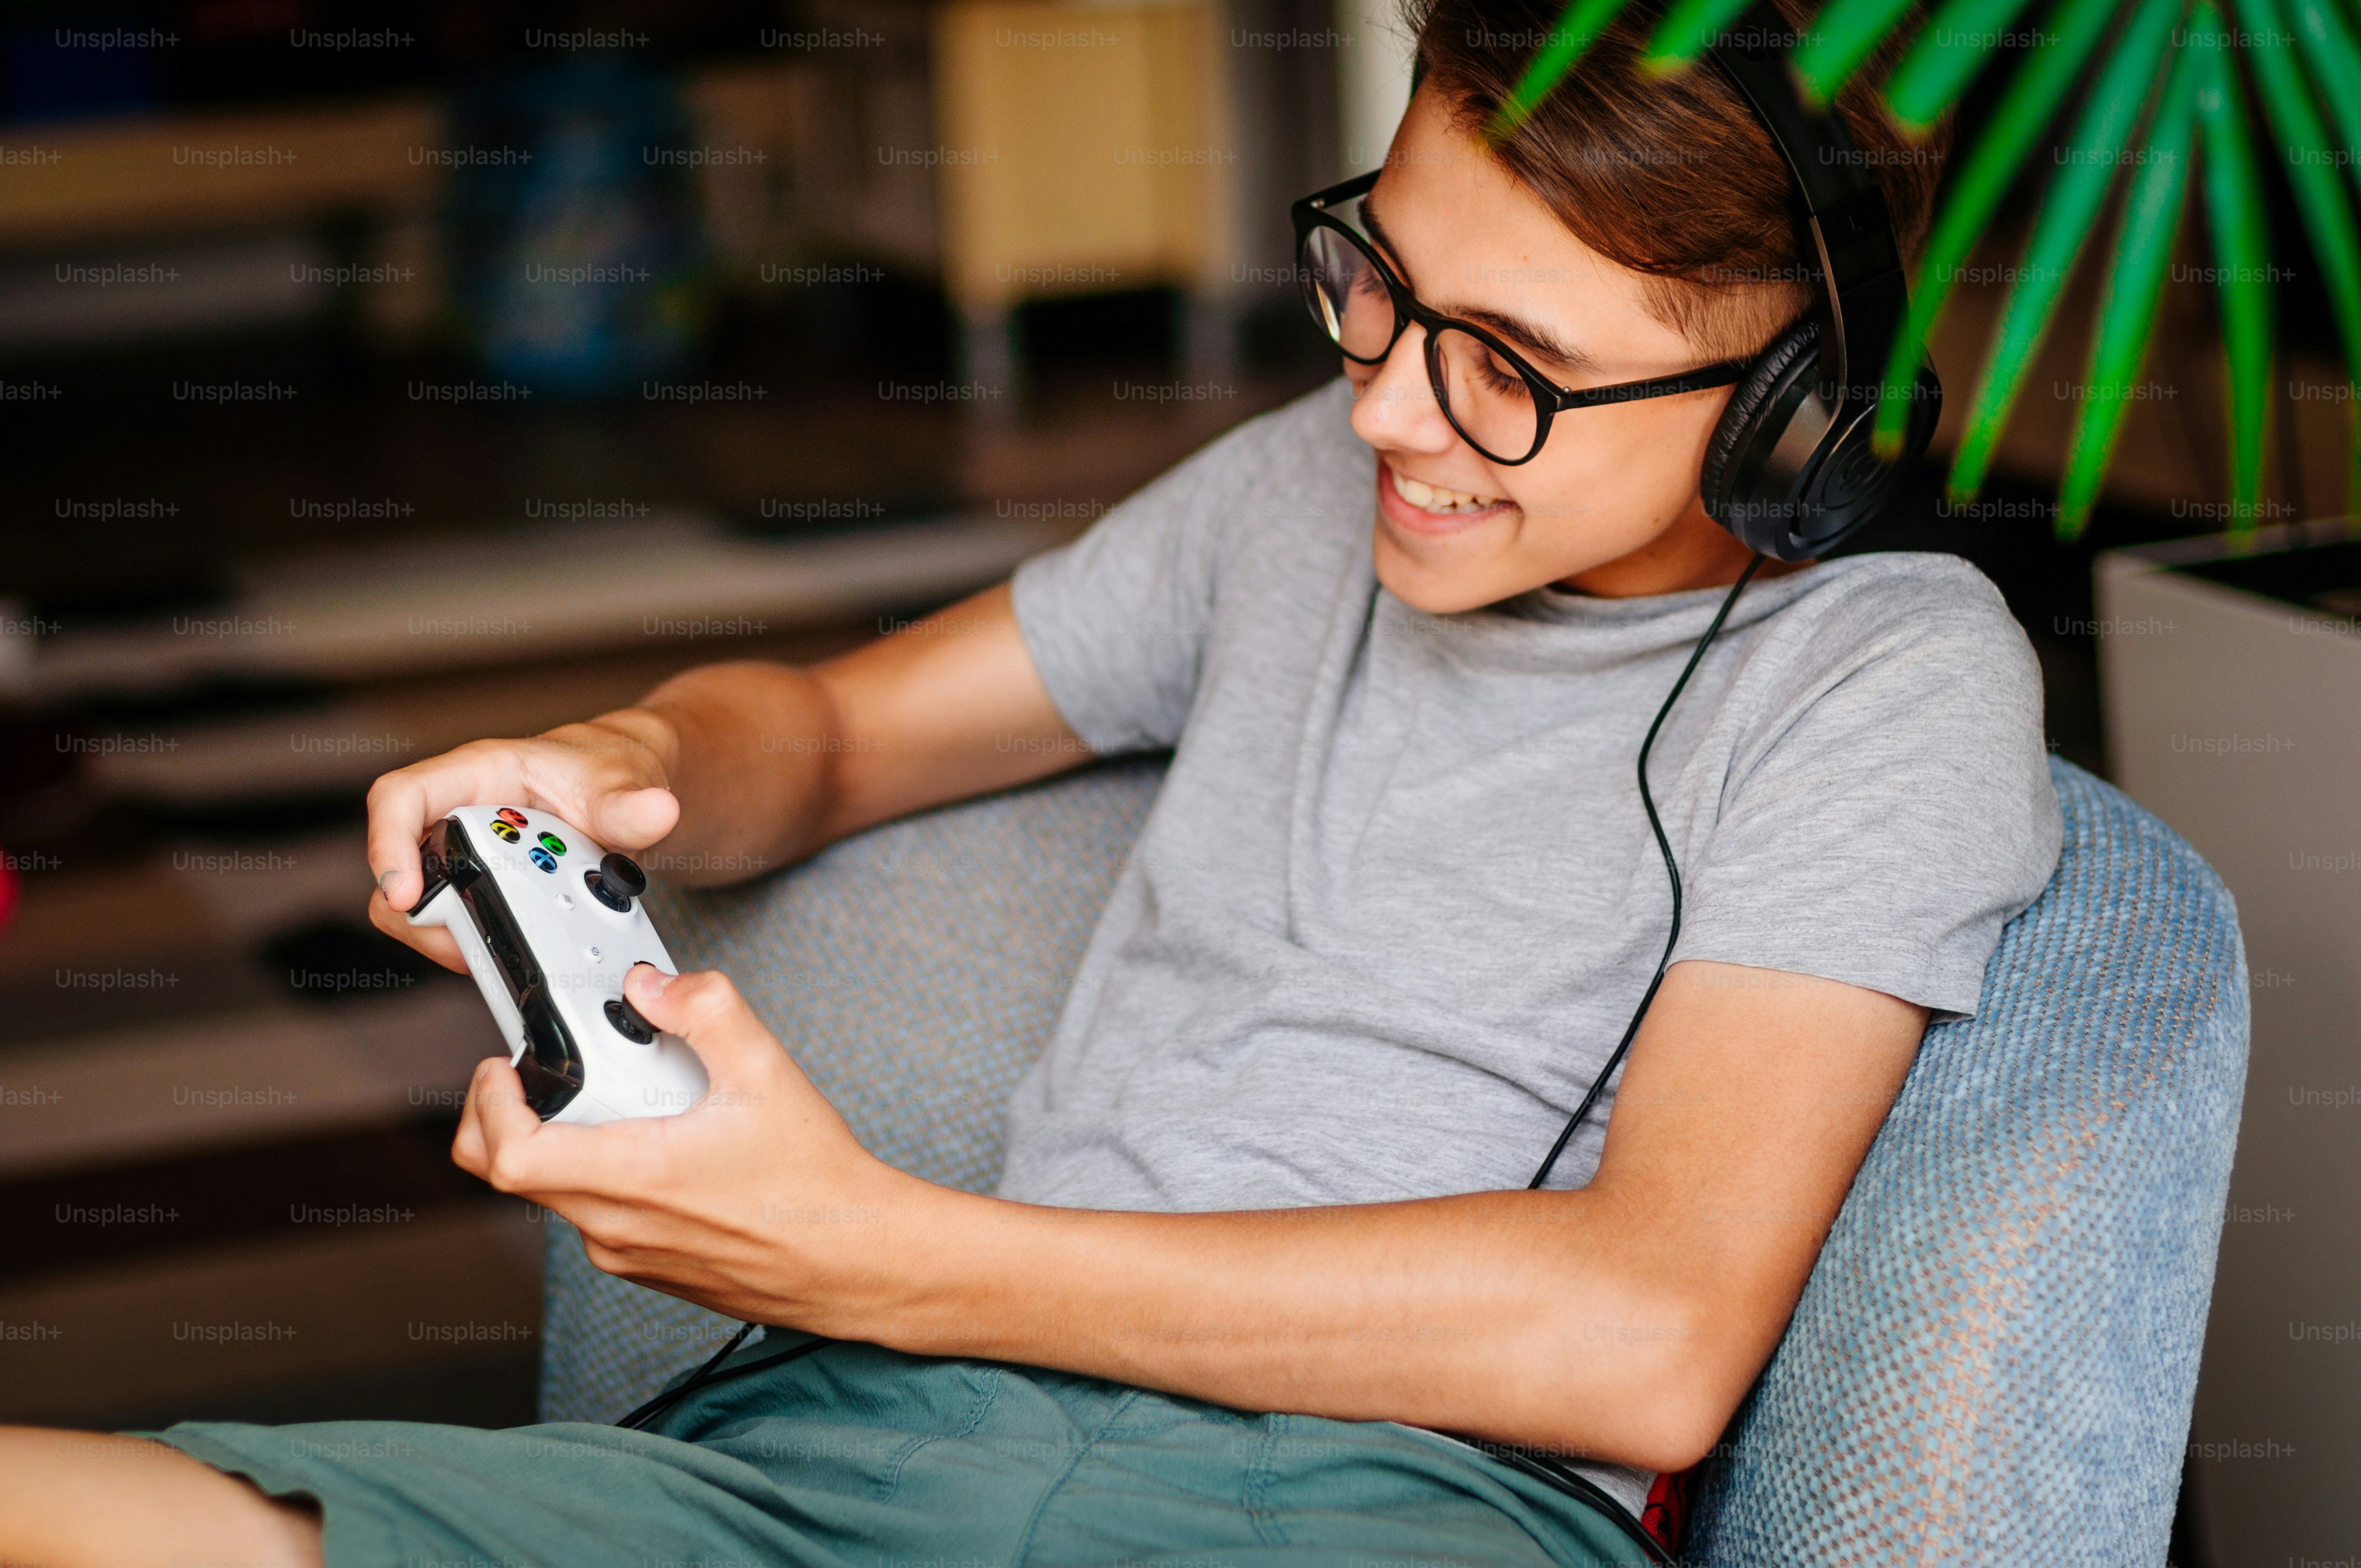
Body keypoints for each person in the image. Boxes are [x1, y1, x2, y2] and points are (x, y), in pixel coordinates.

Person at [0, 2, 2060, 1563]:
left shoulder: (1877, 677)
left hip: (1374, 1500)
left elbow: (1651, 1335)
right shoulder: (1284, 497)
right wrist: (618, 759)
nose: (1384, 405)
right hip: (873, 1442)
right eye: (1377, 280)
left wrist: (874, 1248)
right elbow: (833, 736)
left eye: (1507, 366)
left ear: (1791, 400)